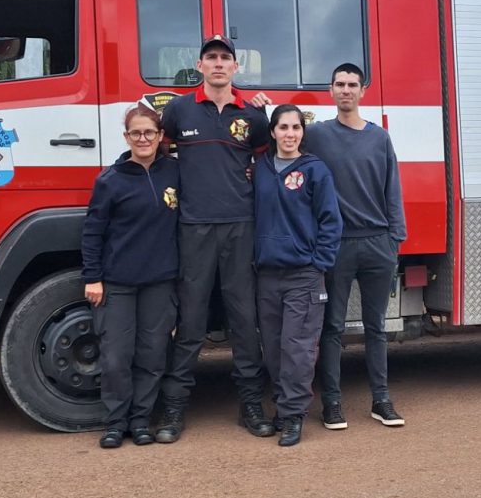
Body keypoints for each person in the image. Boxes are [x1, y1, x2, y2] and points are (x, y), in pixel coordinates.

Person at [155, 36, 272, 443]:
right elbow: (158, 151)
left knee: (244, 322)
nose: (218, 64)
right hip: (194, 227)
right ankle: (173, 410)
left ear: (235, 67)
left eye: (225, 58)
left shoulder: (253, 115)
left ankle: (252, 405)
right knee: (190, 322)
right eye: (212, 58)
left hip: (241, 226)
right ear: (200, 65)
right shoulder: (178, 109)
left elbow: (267, 161)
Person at [303, 62, 408, 430]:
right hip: (338, 246)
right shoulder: (316, 135)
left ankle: (382, 400)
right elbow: (281, 140)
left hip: (379, 243)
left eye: (352, 84)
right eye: (339, 84)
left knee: (376, 327)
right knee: (332, 327)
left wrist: (395, 239)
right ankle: (332, 403)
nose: (345, 90)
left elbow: (392, 189)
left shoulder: (380, 138)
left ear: (363, 91)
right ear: (330, 91)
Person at [80, 106, 181, 449]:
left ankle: (140, 421)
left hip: (160, 281)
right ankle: (115, 423)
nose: (143, 139)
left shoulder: (175, 172)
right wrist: (93, 277)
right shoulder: (110, 180)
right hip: (117, 283)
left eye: (149, 132)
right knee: (115, 358)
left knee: (152, 356)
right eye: (136, 133)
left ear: (160, 136)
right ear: (126, 137)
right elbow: (93, 232)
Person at [253, 105, 341, 447]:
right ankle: (283, 405)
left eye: (295, 127)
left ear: (303, 132)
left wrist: (319, 263)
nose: (289, 134)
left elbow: (331, 221)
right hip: (267, 274)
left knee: (298, 349)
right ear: (272, 132)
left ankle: (293, 415)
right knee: (274, 350)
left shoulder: (315, 170)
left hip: (303, 275)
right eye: (283, 127)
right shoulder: (259, 168)